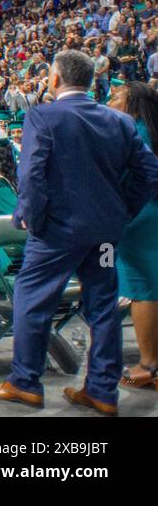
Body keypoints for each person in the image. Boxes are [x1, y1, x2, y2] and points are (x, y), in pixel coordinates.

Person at [0, 50, 158, 415]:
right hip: (107, 237)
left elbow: (31, 175)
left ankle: (24, 382)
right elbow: (149, 173)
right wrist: (123, 212)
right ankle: (102, 391)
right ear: (91, 81)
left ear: (55, 79)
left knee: (32, 300)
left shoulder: (42, 116)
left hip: (57, 235)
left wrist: (33, 217)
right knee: (104, 307)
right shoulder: (119, 121)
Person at [108, 80, 158, 390]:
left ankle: (148, 365)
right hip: (152, 214)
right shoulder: (151, 129)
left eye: (115, 96)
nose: (108, 101)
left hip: (139, 215)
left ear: (133, 103)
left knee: (142, 289)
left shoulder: (133, 132)